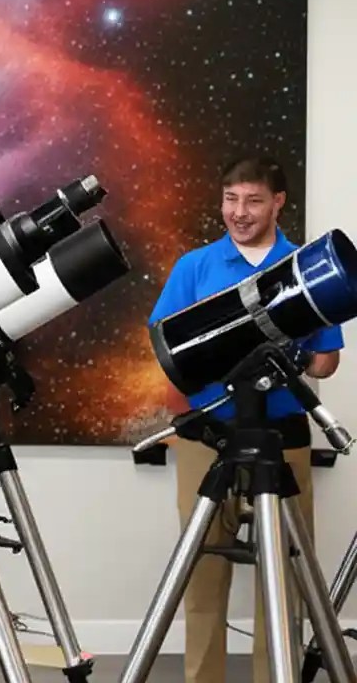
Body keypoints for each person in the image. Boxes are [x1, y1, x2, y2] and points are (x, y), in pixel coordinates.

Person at [148, 154, 343, 683]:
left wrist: (294, 356)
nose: (240, 212)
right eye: (230, 200)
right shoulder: (195, 267)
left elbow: (326, 362)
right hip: (209, 440)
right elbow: (167, 348)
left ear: (278, 202)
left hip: (283, 437)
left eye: (254, 201)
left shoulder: (304, 269)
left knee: (285, 577)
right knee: (202, 574)